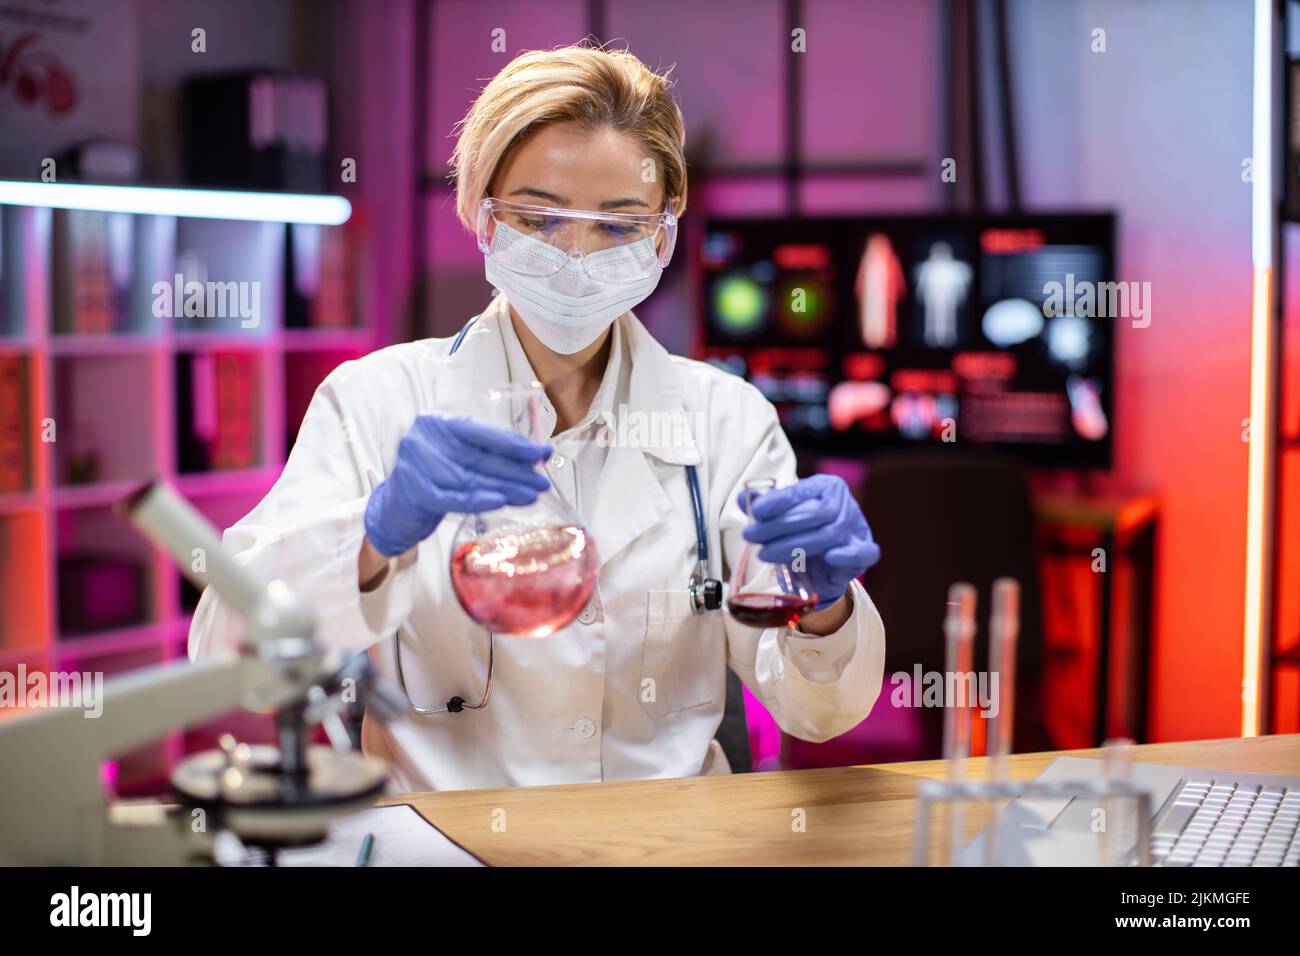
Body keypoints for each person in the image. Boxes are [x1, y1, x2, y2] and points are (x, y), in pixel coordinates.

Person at [190, 44, 886, 792]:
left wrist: (826, 608)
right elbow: (229, 656)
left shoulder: (727, 423)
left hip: (663, 845)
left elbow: (823, 712)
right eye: (540, 219)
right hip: (441, 844)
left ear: (663, 237)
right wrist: (374, 533)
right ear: (483, 220)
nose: (576, 255)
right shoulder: (376, 401)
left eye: (618, 226)